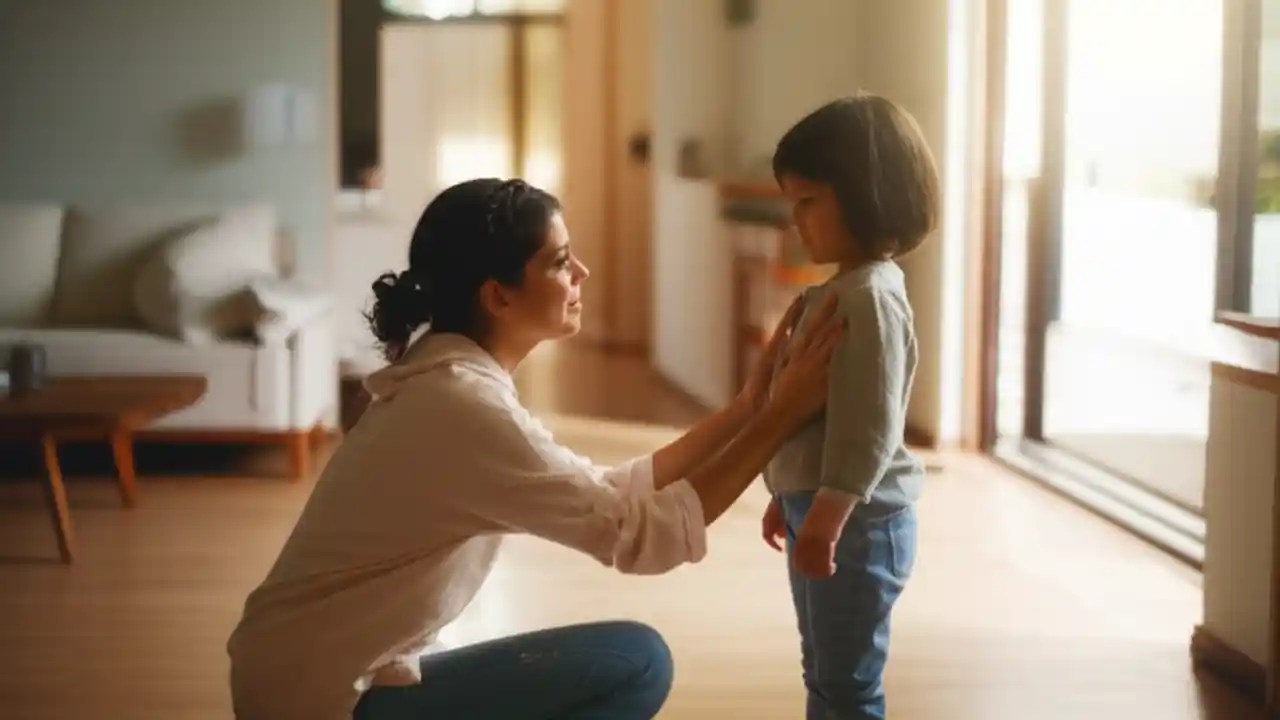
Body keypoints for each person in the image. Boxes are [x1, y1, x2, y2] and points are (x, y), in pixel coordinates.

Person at [226, 177, 845, 720]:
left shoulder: (451, 381)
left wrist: (748, 412)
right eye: (559, 262)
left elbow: (608, 490)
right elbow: (641, 539)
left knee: (628, 658)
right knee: (638, 662)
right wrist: (781, 417)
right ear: (497, 296)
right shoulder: (462, 407)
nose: (582, 275)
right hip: (321, 698)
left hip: (298, 678)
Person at [760, 94, 940, 720]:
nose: (796, 221)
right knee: (826, 672)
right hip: (824, 511)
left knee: (848, 683)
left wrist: (827, 518)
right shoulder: (844, 289)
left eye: (808, 203)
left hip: (857, 526)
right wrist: (784, 493)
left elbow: (869, 427)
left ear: (864, 195)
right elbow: (815, 418)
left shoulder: (869, 299)